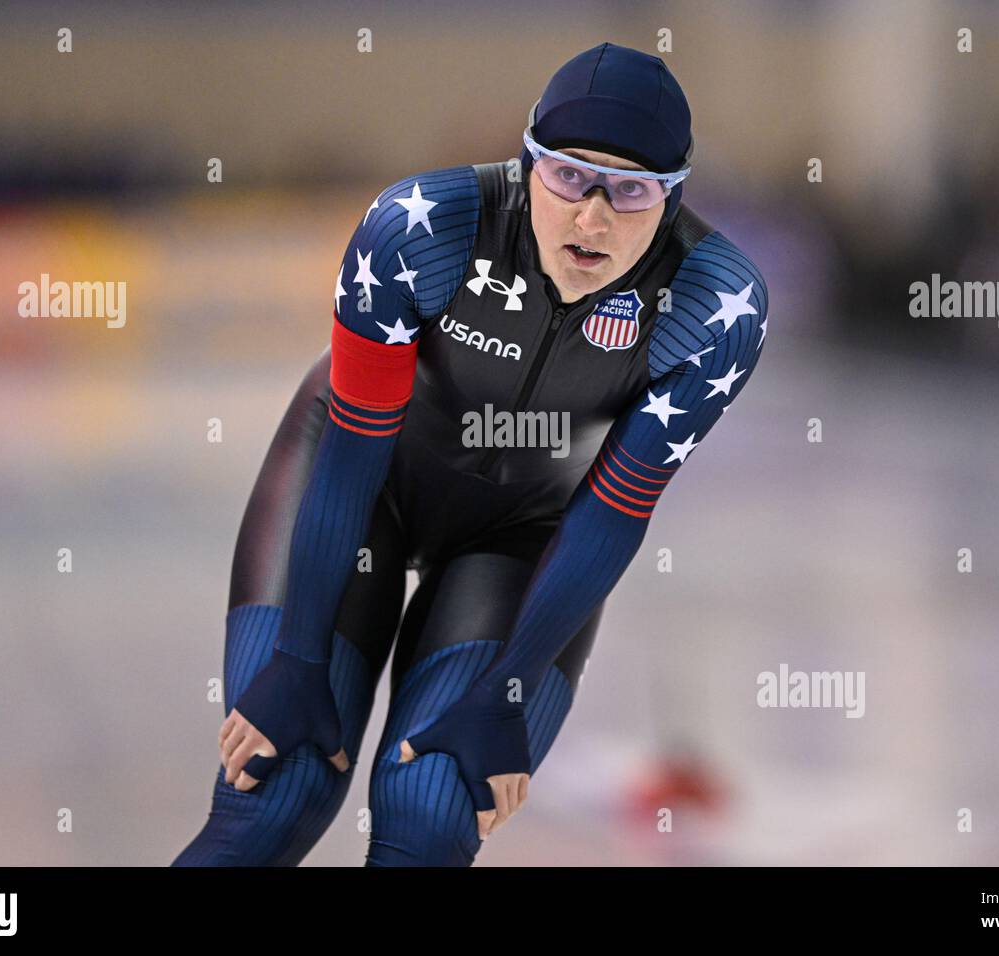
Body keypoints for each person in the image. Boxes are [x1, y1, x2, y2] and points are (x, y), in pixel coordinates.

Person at [173, 41, 768, 866]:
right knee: (280, 787)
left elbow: (613, 513)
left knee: (432, 806)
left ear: (671, 202)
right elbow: (349, 457)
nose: (592, 217)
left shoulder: (715, 308)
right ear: (528, 166)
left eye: (629, 191)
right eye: (568, 176)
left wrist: (507, 691)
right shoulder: (423, 229)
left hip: (520, 534)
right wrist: (300, 656)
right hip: (365, 490)